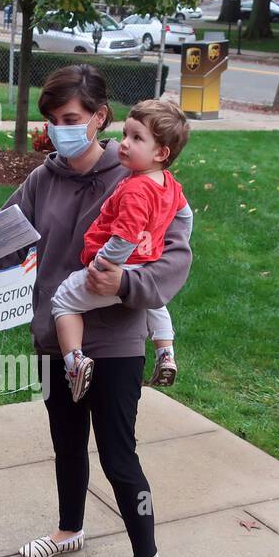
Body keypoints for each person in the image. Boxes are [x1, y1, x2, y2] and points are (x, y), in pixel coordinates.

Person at [0, 65, 193, 557]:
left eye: (70, 119)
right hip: (57, 335)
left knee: (120, 456)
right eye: (51, 120)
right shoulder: (43, 179)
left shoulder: (137, 177)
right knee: (67, 444)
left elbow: (176, 258)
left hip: (116, 340)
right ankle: (69, 529)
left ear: (100, 118)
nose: (57, 130)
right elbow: (5, 244)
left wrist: (127, 282)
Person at [50, 98, 191, 401]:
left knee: (63, 301)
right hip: (145, 265)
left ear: (161, 152)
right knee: (154, 303)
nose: (124, 144)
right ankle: (166, 353)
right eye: (126, 134)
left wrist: (103, 264)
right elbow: (185, 215)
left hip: (116, 269)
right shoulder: (168, 184)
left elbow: (125, 237)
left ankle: (75, 362)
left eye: (137, 138)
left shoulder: (135, 189)